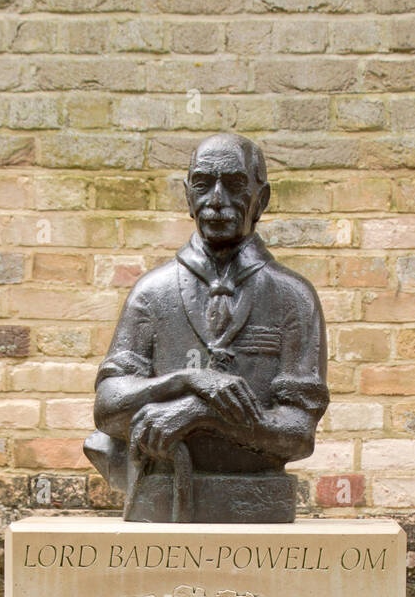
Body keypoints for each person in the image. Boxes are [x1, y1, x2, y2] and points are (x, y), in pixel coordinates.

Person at [86, 133, 329, 522]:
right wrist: (187, 381)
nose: (216, 200)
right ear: (187, 196)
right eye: (203, 184)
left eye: (234, 185)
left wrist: (203, 412)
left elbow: (299, 433)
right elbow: (108, 406)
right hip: (159, 501)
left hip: (259, 506)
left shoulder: (292, 297)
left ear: (261, 199)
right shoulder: (152, 292)